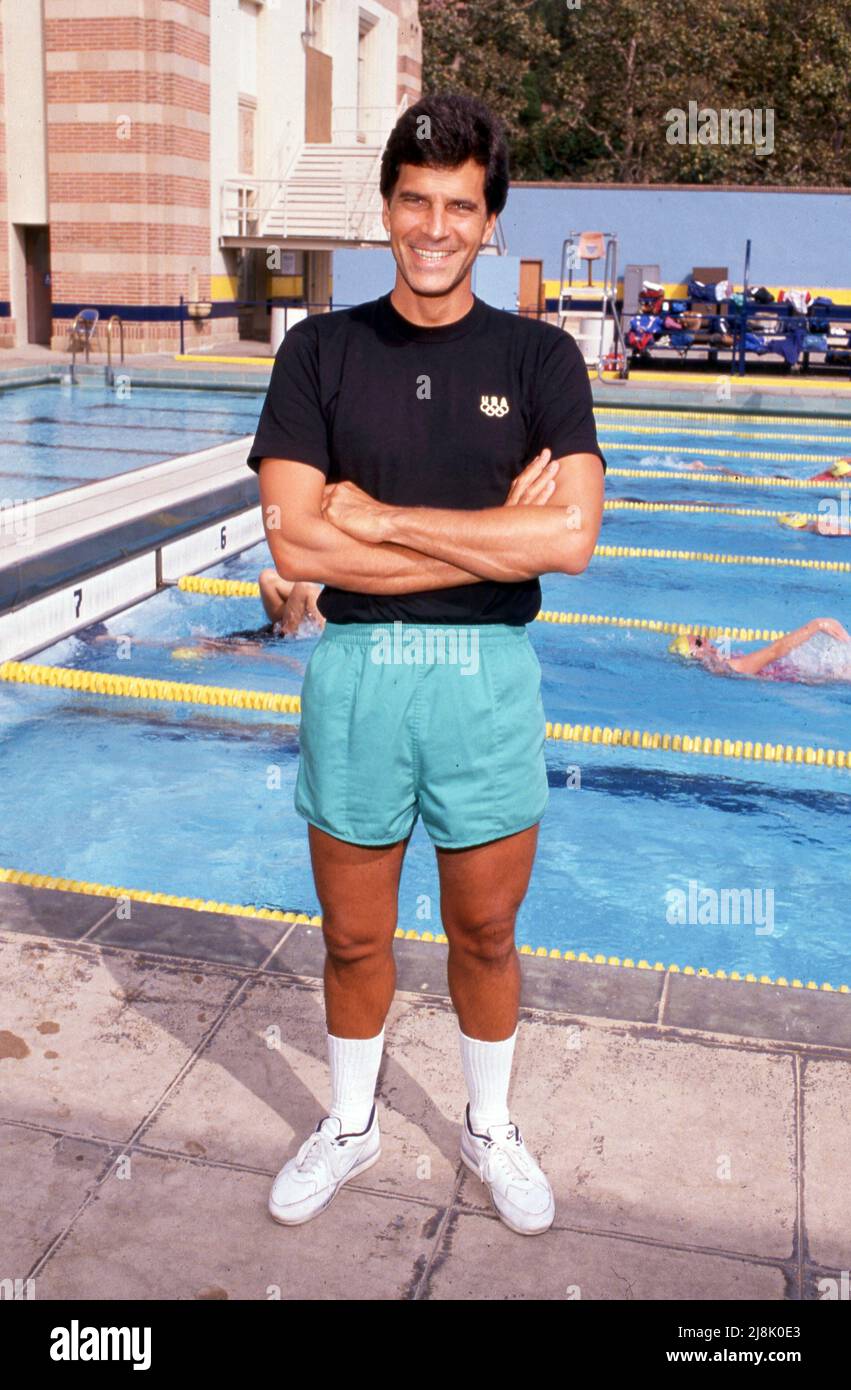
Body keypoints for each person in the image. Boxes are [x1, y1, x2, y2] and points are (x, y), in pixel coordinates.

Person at [246, 92, 606, 1237]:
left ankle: (487, 1125)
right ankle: (351, 1124)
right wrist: (482, 532)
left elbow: (569, 540)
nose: (435, 225)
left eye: (460, 205)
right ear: (386, 211)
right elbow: (297, 541)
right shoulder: (319, 350)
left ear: (490, 219)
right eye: (415, 202)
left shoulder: (540, 357)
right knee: (352, 934)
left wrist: (386, 523)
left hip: (487, 675)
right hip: (356, 669)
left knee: (484, 933)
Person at [668, 617, 850, 678]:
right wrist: (818, 625)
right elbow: (774, 651)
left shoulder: (727, 662)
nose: (707, 640)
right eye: (699, 642)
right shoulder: (734, 666)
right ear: (695, 655)